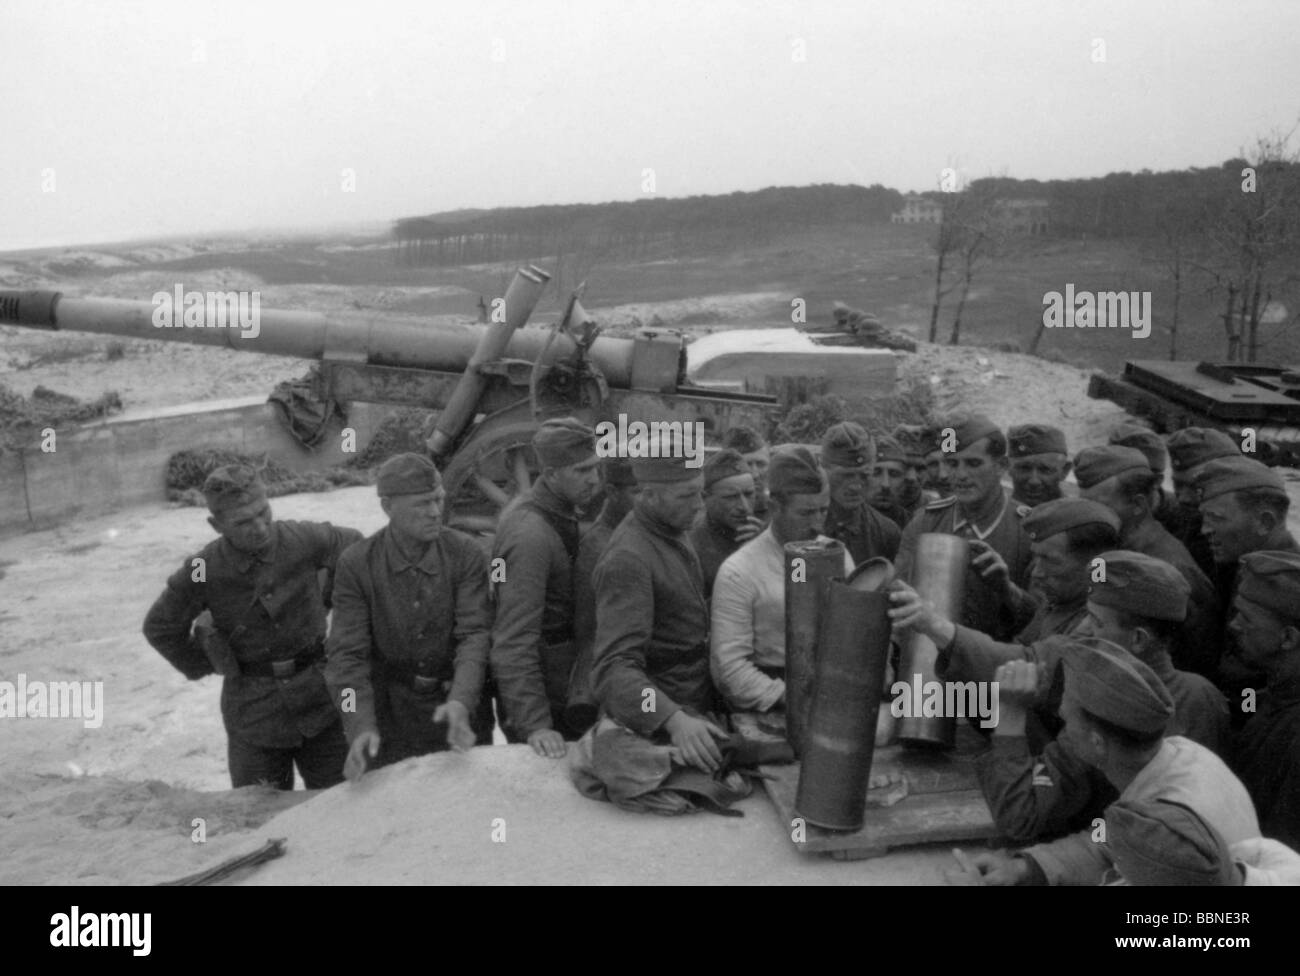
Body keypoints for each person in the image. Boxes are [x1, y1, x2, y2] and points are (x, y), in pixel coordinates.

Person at [974, 552, 1231, 846]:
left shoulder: (1101, 705)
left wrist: (1010, 716)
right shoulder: (1205, 696)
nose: (1082, 630)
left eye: (1096, 622)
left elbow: (1019, 817)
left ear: (1138, 639)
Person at [960, 637, 1258, 885]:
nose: (1063, 731)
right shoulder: (1177, 756)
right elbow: (1108, 841)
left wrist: (1010, 715)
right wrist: (1027, 867)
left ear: (1097, 743)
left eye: (1067, 721)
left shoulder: (1172, 818)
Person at [143, 465, 360, 790]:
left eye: (263, 512)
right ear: (217, 525)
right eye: (243, 522)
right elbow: (160, 627)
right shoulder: (204, 569)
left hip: (321, 704)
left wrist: (327, 602)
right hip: (254, 718)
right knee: (258, 816)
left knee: (344, 802)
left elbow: (357, 551)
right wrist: (204, 662)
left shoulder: (303, 540)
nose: (260, 527)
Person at [572, 442, 752, 815]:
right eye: (687, 496)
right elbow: (613, 668)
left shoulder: (670, 525)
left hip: (695, 694)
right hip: (660, 710)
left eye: (701, 492)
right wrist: (673, 720)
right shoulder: (628, 560)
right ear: (649, 495)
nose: (700, 506)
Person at [890, 498, 1119, 749]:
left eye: (1050, 560)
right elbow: (1038, 630)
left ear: (1096, 563)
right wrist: (1005, 590)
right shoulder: (1071, 594)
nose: (1037, 573)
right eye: (1036, 558)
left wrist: (935, 626)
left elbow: (1029, 664)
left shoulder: (1106, 618)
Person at [325, 453, 492, 781]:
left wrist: (461, 701)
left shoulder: (466, 554)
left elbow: (474, 637)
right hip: (392, 721)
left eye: (439, 500)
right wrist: (359, 725)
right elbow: (346, 657)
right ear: (388, 507)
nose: (435, 512)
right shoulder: (357, 564)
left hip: (458, 713)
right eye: (422, 504)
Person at [710, 446, 853, 713]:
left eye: (823, 511)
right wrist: (793, 700)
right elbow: (728, 668)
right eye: (806, 513)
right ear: (775, 507)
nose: (818, 524)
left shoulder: (839, 557)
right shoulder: (739, 572)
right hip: (769, 707)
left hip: (833, 697)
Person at [489, 418, 601, 757]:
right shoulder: (530, 536)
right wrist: (535, 724)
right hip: (546, 700)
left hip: (563, 683)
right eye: (581, 471)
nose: (594, 479)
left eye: (595, 468)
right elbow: (512, 639)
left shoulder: (554, 511)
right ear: (550, 475)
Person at [1075, 444, 1220, 678]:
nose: (1088, 516)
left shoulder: (1172, 568)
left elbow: (1193, 663)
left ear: (1138, 505)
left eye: (1098, 507)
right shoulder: (1109, 547)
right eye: (1084, 505)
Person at [895, 412, 1035, 642]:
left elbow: (1043, 619)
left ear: (1001, 466)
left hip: (999, 667)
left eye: (973, 463)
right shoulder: (926, 522)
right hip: (928, 664)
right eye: (952, 463)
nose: (960, 475)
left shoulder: (1028, 528)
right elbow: (898, 593)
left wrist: (1007, 590)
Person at [1227, 550, 1300, 850]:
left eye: (1245, 618)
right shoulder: (1268, 690)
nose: (1233, 626)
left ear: (1288, 639)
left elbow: (1283, 850)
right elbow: (1249, 711)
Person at [820, 421, 901, 564]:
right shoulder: (803, 525)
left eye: (864, 475)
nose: (855, 487)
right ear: (824, 471)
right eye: (845, 476)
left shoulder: (886, 533)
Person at [1166, 427, 1239, 579]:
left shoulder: (1248, 544)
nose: (1183, 498)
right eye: (1178, 485)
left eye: (1196, 487)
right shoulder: (1181, 522)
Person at [690, 448, 762, 598]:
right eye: (731, 497)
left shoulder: (767, 529)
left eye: (749, 494)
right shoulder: (694, 546)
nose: (744, 506)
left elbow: (795, 581)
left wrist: (765, 548)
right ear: (705, 498)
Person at [1007, 424, 1072, 507]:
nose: (1034, 481)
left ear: (1065, 471)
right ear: (1007, 466)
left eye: (1045, 470)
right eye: (1024, 468)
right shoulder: (994, 514)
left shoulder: (1079, 518)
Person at [869, 435, 923, 528]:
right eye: (876, 473)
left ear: (904, 480)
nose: (885, 484)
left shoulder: (914, 526)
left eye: (894, 474)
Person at [721, 425, 771, 524]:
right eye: (747, 465)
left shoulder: (781, 510)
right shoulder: (714, 512)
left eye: (761, 464)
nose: (755, 475)